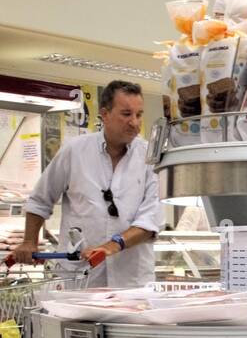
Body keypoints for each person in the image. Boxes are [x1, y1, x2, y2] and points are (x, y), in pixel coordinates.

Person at [13, 80, 160, 287]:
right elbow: (40, 200)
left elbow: (150, 220)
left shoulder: (149, 157)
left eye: (139, 115)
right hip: (80, 277)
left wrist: (112, 245)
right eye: (126, 114)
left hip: (131, 281)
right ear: (104, 114)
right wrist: (29, 241)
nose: (134, 122)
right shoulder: (75, 151)